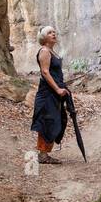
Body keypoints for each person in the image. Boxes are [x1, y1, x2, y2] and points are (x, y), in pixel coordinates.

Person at [30, 25, 68, 164]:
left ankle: (45, 153)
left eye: (54, 32)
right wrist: (57, 89)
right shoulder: (45, 51)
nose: (53, 34)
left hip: (54, 93)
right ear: (44, 37)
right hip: (47, 93)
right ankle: (42, 154)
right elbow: (45, 72)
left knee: (56, 120)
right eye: (50, 33)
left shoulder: (52, 52)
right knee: (47, 121)